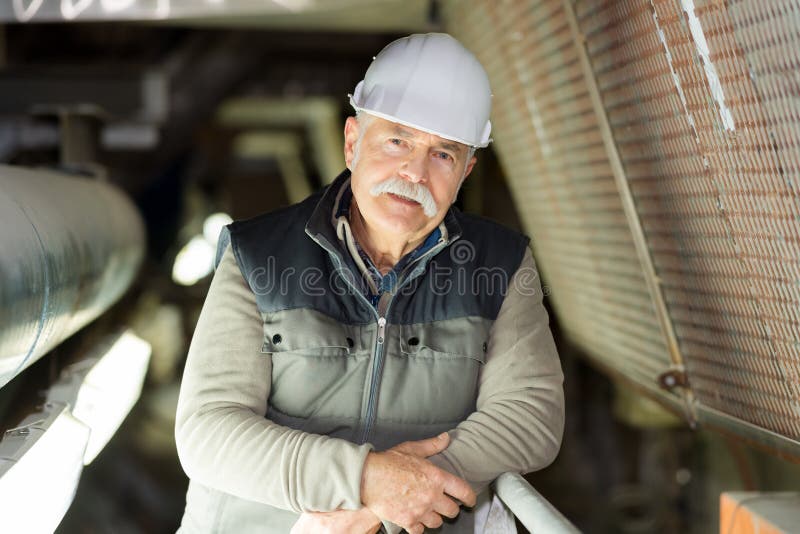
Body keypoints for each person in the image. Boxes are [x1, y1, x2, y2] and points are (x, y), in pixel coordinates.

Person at [175, 32, 565, 534]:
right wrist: (365, 480)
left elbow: (531, 414)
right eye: (397, 141)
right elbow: (208, 430)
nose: (415, 172)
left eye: (443, 155)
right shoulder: (257, 254)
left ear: (466, 171)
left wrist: (410, 490)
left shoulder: (502, 265)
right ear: (352, 142)